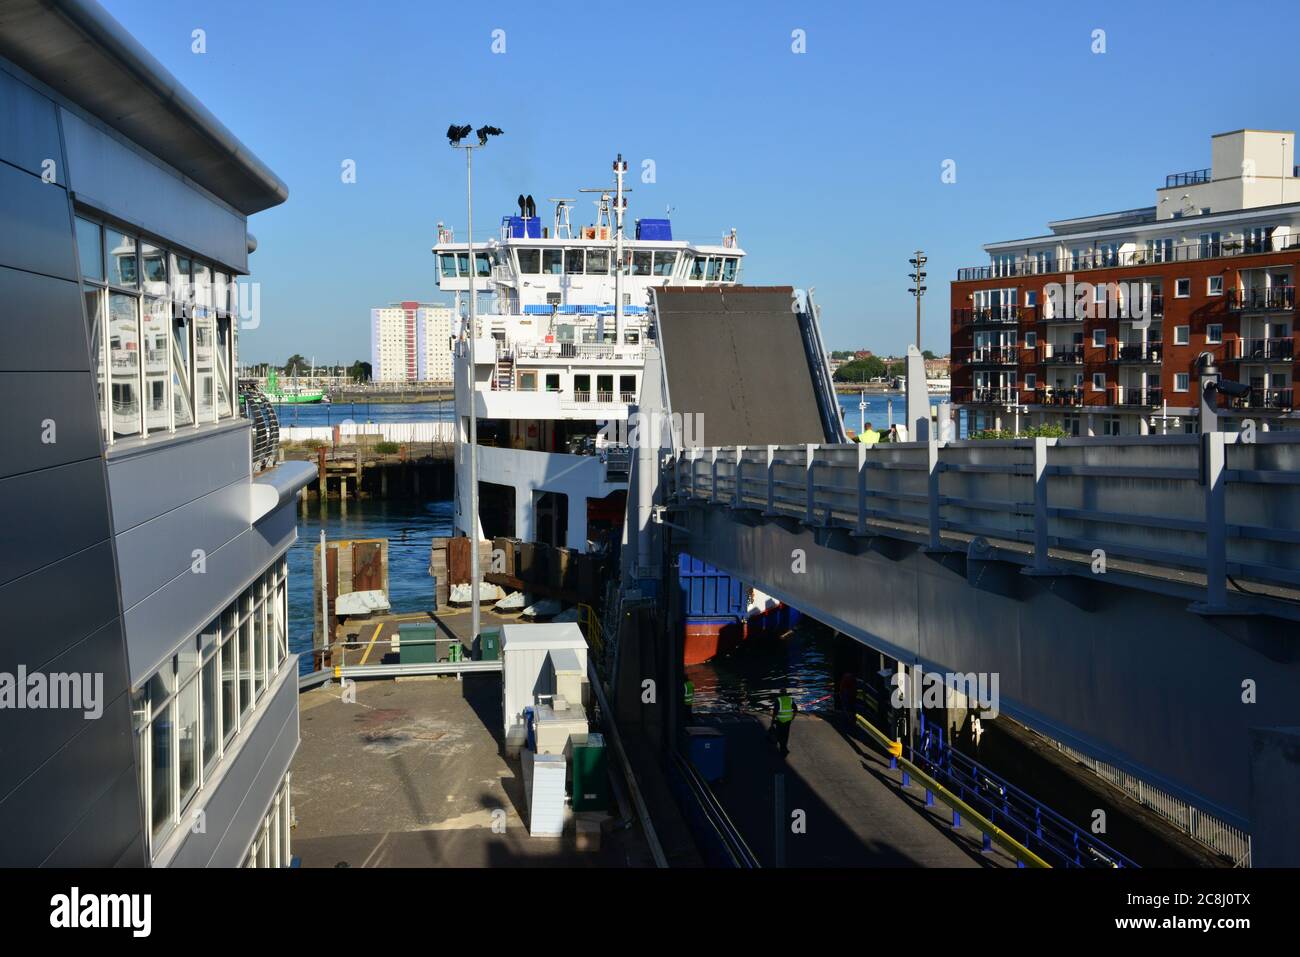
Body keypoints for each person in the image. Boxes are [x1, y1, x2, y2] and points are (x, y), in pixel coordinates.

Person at [770, 687, 797, 755]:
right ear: (786, 693)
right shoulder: (790, 699)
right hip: (788, 720)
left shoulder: (778, 700)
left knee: (779, 733)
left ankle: (779, 744)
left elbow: (775, 711)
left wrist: (773, 720)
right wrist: (792, 717)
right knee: (785, 734)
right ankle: (784, 747)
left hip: (780, 719)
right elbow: (795, 709)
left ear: (780, 693)